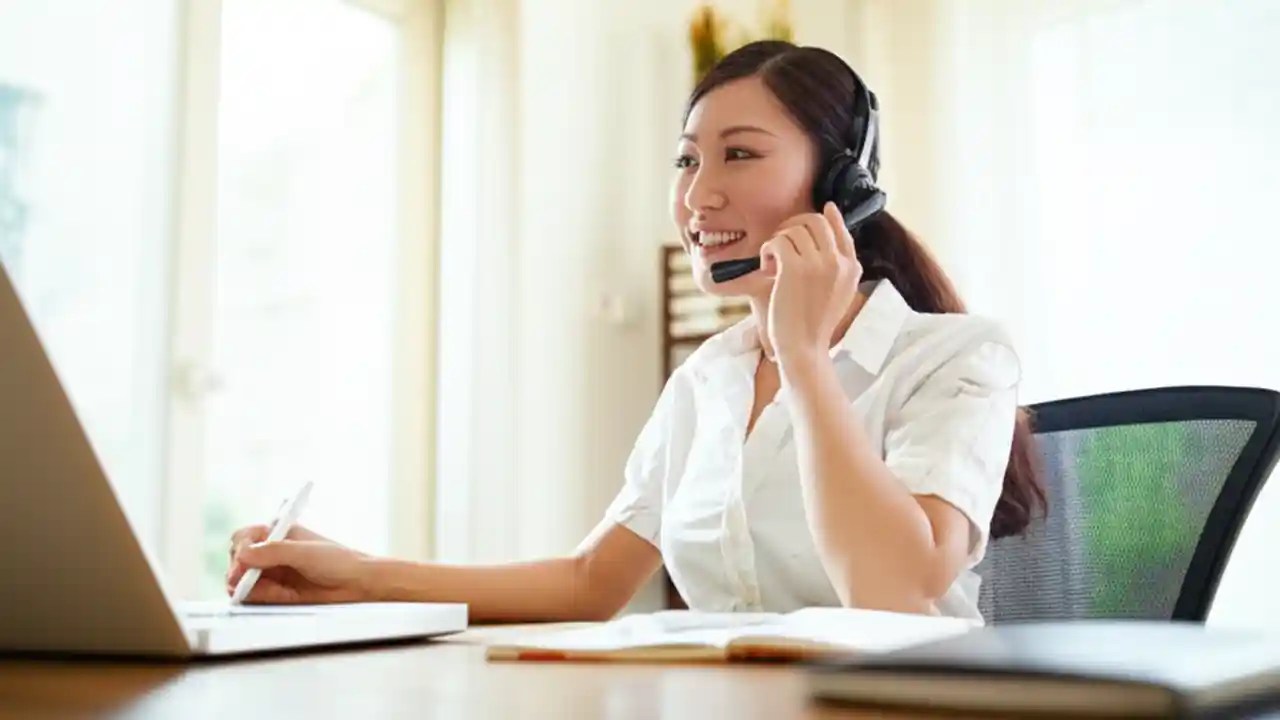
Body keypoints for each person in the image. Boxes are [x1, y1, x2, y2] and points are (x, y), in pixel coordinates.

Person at [226, 40, 1045, 622]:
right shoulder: (708, 380)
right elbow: (589, 581)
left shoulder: (958, 357)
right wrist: (357, 576)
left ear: (841, 186)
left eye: (741, 156)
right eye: (688, 161)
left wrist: (803, 355)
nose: (699, 196)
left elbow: (890, 593)